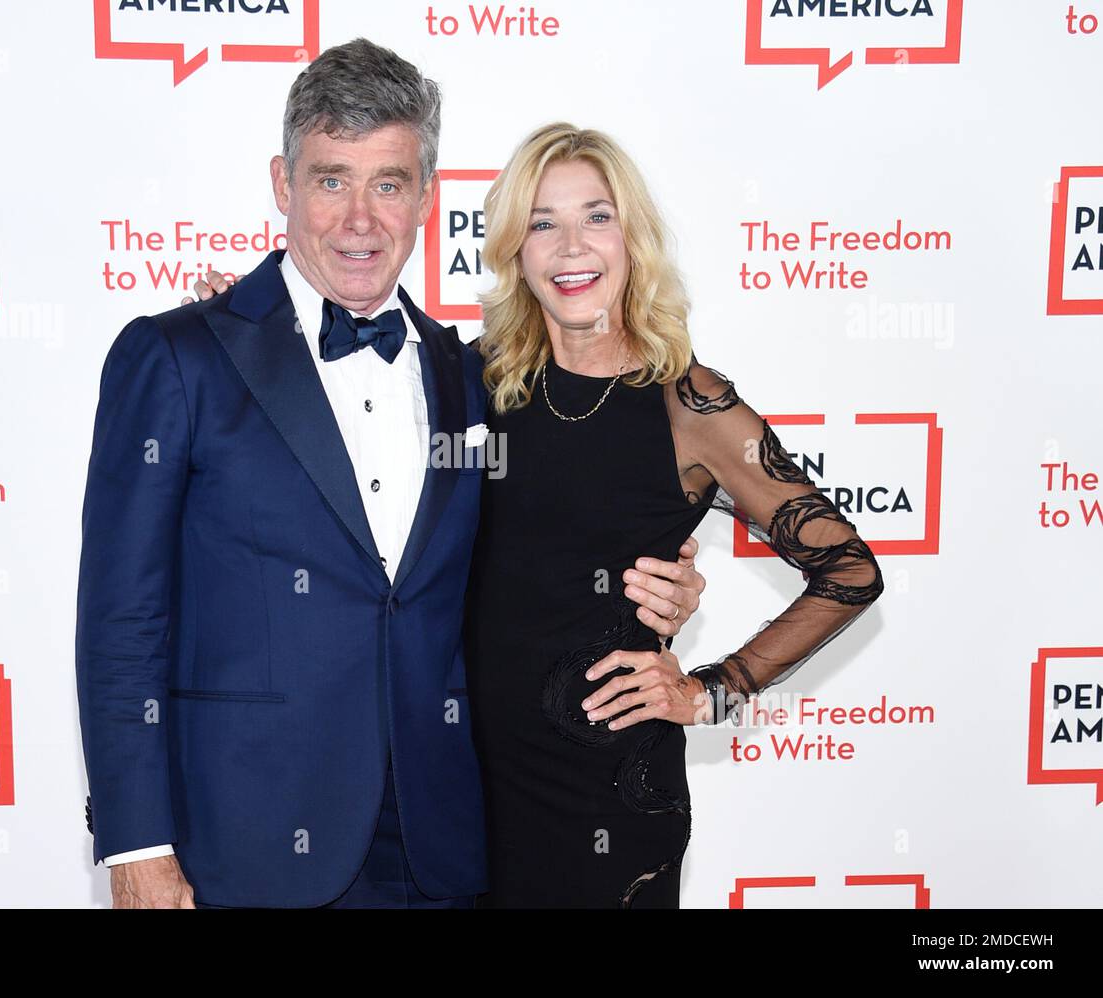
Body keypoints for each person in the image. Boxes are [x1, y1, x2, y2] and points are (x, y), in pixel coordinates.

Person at [76, 40, 701, 910]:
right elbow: (121, 622)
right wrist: (136, 845)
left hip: (445, 847)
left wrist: (668, 574)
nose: (360, 220)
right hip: (244, 846)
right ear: (282, 185)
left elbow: (560, 524)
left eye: (389, 183)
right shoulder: (181, 358)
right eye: (332, 180)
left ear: (425, 200)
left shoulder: (475, 379)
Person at [194, 122, 885, 909]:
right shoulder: (470, 382)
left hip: (606, 790)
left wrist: (709, 690)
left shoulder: (688, 405)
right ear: (515, 250)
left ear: (634, 238)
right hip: (459, 787)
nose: (570, 247)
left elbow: (850, 571)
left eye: (597, 216)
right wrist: (252, 337)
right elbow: (340, 418)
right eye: (542, 223)